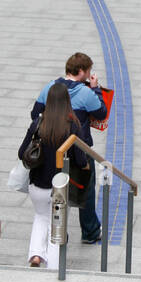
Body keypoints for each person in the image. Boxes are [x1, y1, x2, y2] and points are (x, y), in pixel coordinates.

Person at [31, 54, 107, 245]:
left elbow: (35, 114)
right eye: (88, 71)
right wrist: (96, 88)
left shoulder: (50, 87)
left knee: (56, 189)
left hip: (53, 149)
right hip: (79, 149)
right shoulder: (86, 93)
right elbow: (101, 112)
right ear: (81, 71)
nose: (89, 74)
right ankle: (90, 232)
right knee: (85, 189)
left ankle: (58, 232)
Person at [19, 82, 89, 267]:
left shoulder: (38, 123)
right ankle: (54, 265)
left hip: (37, 185)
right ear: (67, 101)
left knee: (41, 217)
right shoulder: (72, 126)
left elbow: (21, 153)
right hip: (59, 187)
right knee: (57, 225)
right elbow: (81, 161)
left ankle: (35, 254)